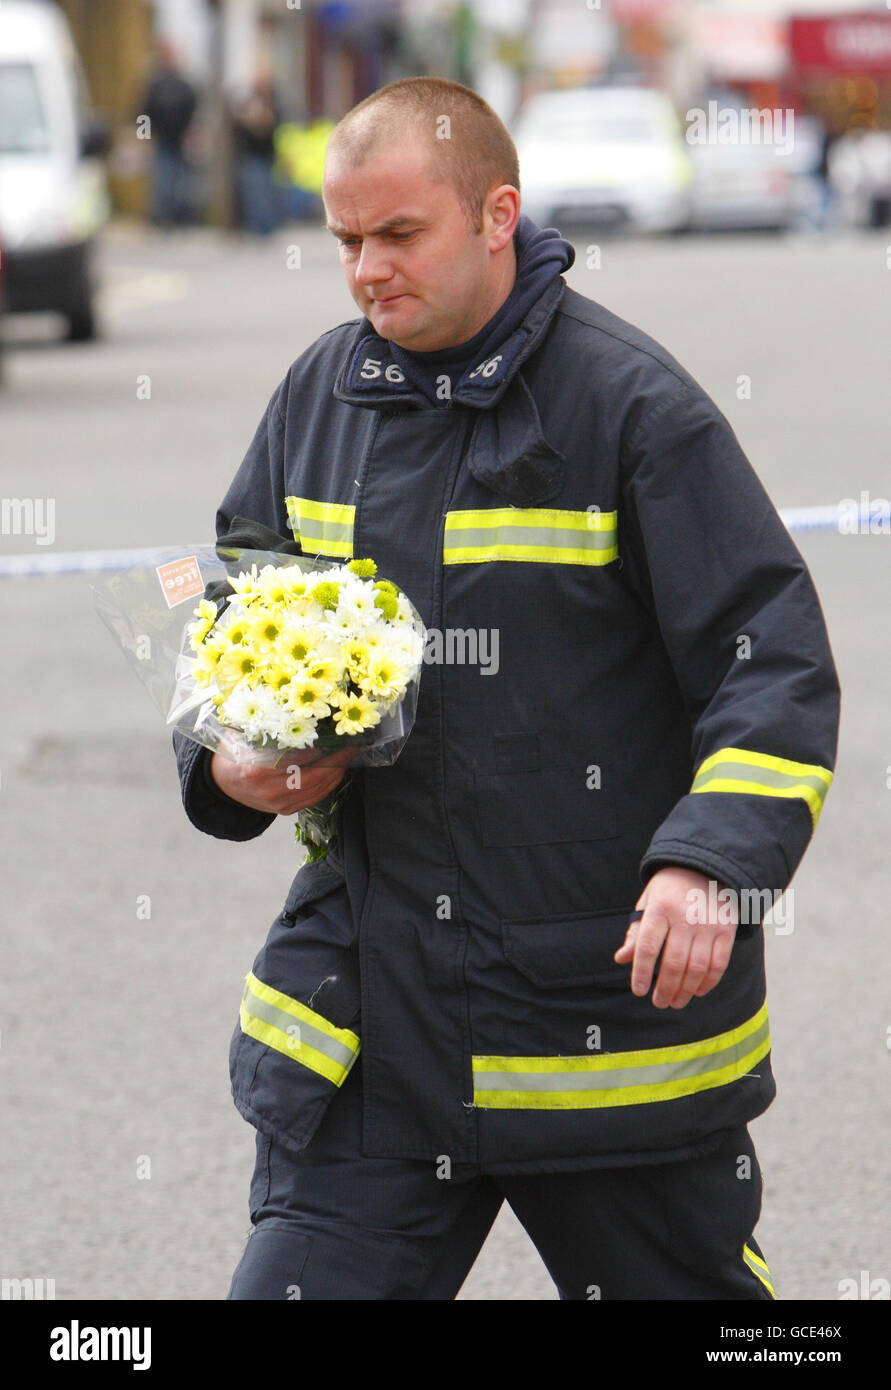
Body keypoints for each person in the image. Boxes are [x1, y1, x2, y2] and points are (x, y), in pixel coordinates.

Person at [173, 77, 840, 1300]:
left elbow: (773, 660)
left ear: (497, 216)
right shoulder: (319, 400)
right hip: (374, 1029)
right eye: (344, 241)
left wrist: (708, 862)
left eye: (397, 235)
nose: (366, 270)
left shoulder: (633, 407)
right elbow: (235, 624)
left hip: (597, 1042)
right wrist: (230, 760)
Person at [139, 40, 198, 228]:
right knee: (162, 182)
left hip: (180, 142)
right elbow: (143, 112)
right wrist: (144, 138)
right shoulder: (154, 84)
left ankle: (177, 218)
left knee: (180, 183)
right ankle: (162, 219)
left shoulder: (184, 84)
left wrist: (193, 134)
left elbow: (193, 110)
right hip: (161, 141)